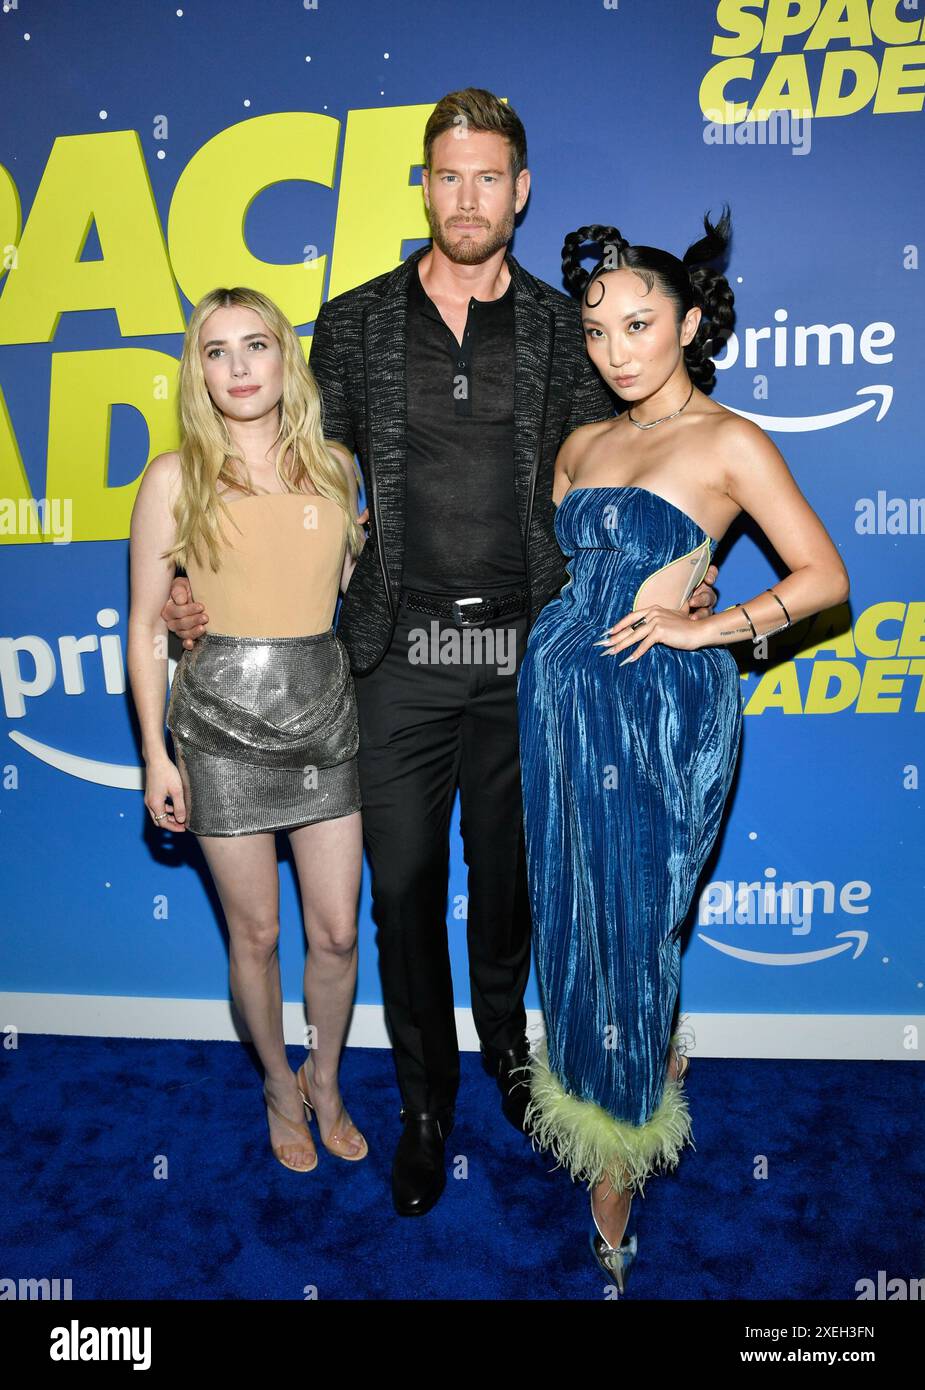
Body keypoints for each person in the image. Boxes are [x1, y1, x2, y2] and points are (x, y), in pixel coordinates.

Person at [159, 90, 721, 1218]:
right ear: (423, 185)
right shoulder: (356, 322)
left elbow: (627, 458)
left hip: (529, 657)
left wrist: (684, 563)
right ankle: (423, 1108)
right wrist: (188, 575)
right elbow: (283, 473)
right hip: (390, 659)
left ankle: (510, 1061)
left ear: (519, 190)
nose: (467, 197)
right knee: (404, 894)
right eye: (446, 176)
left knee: (508, 886)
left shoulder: (569, 326)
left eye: (489, 178)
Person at [516, 216, 850, 1290]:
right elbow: (578, 572)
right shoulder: (580, 446)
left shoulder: (729, 441)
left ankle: (614, 1173)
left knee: (635, 915)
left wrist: (712, 621)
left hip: (660, 717)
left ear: (689, 323)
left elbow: (821, 577)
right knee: (574, 913)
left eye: (640, 324)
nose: (616, 350)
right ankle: (626, 1060)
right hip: (562, 708)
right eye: (598, 330)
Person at [127, 286, 371, 1175]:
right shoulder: (172, 477)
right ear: (198, 371)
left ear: (285, 359)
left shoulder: (338, 468)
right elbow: (150, 624)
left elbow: (348, 596)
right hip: (220, 726)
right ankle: (276, 1083)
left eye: (255, 346)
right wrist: (156, 754)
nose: (238, 367)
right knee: (257, 935)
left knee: (338, 932)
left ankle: (328, 1077)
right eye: (216, 351)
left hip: (322, 715)